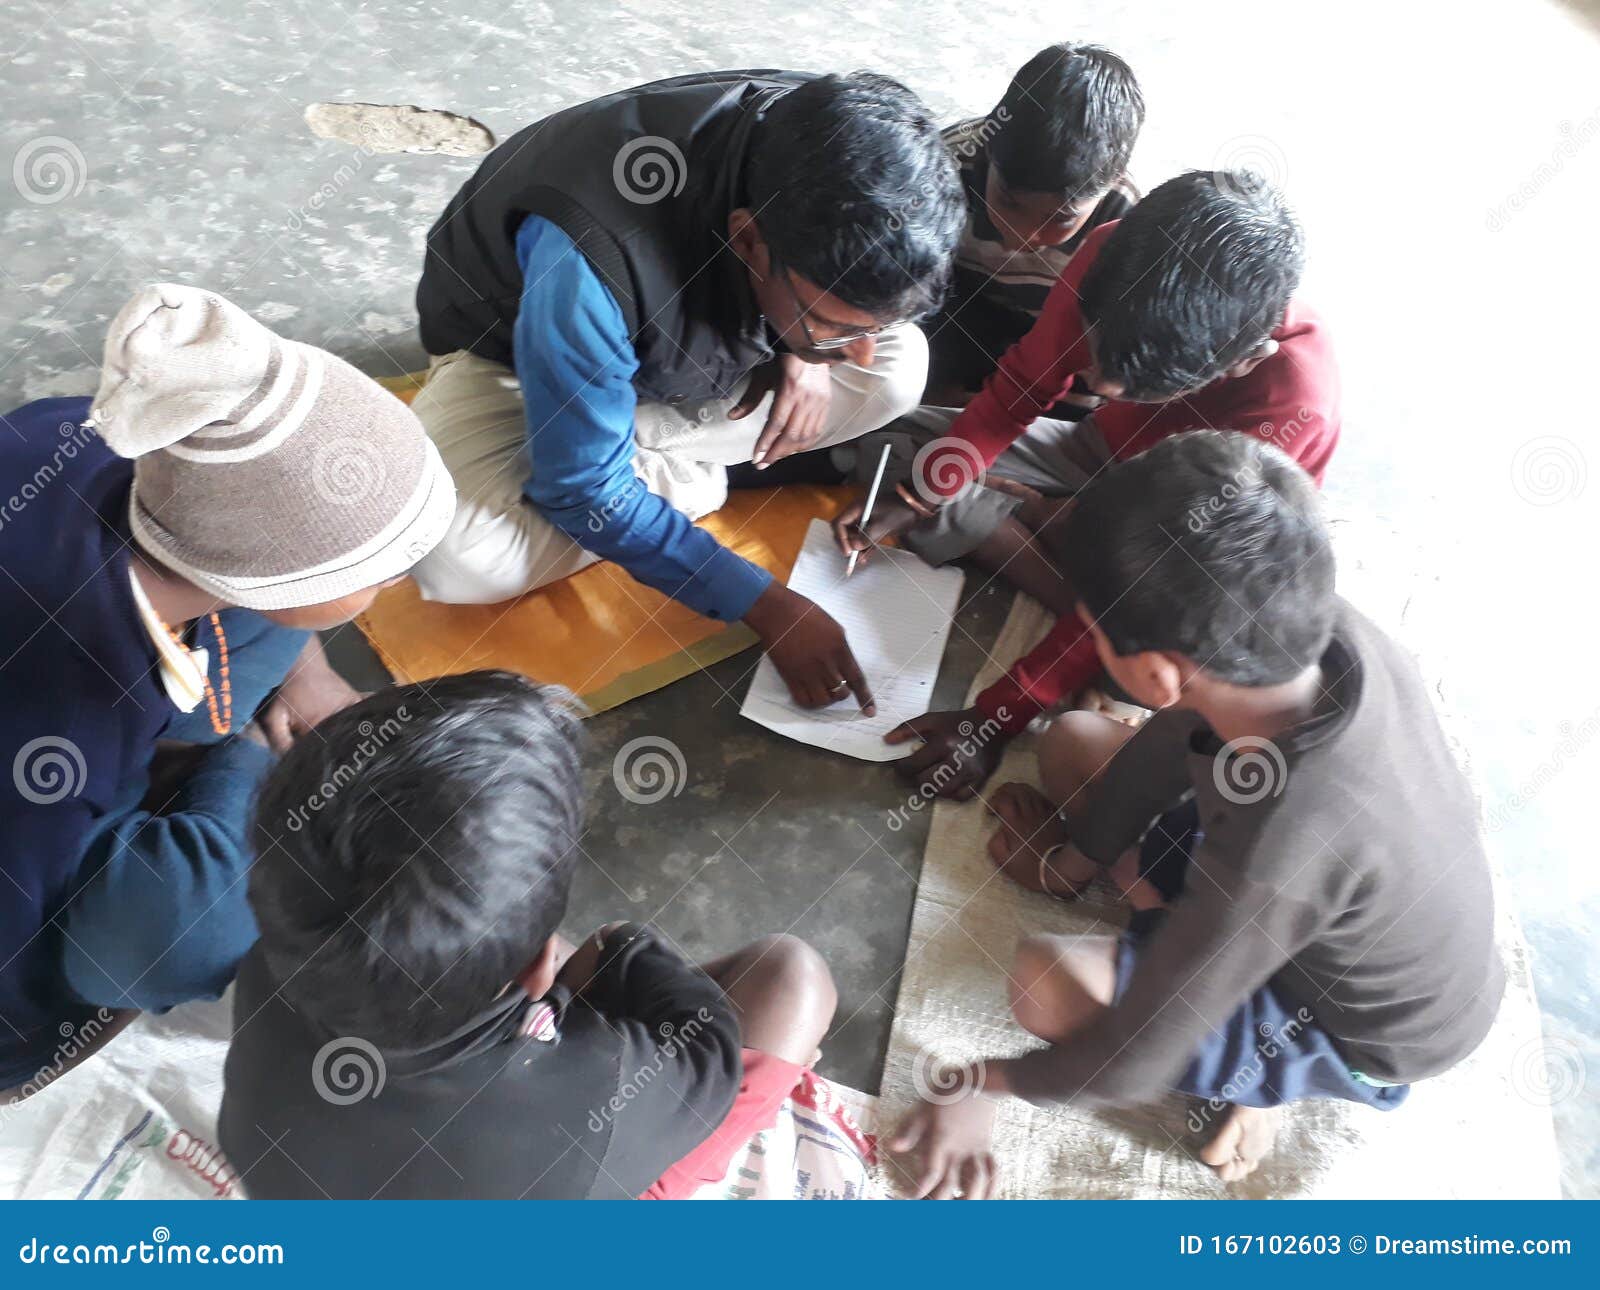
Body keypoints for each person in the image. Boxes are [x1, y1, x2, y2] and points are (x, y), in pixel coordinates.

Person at [888, 433, 1503, 1196]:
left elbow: (1137, 1053)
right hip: (1301, 889)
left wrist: (982, 1084)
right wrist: (1078, 859)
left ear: (1152, 672)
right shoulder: (1313, 631)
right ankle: (1161, 920)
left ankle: (1251, 1080)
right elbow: (1178, 728)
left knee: (1043, 981)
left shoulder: (1294, 833)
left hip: (1342, 1025)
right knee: (1074, 742)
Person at [0, 284, 455, 1093]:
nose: (395, 582)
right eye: (377, 575)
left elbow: (263, 573)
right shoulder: (61, 731)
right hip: (45, 779)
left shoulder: (108, 437)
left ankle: (246, 731)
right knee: (171, 934)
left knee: (268, 644)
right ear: (272, 585)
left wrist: (304, 664)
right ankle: (248, 754)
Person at [410, 70, 964, 715]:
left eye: (869, 324)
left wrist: (808, 348)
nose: (857, 349)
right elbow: (578, 492)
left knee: (898, 369)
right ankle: (666, 473)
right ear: (750, 240)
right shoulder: (587, 263)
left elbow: (861, 329)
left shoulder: (829, 136)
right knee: (453, 557)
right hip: (511, 358)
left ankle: (622, 454)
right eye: (839, 325)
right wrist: (764, 603)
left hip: (690, 361)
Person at [220, 671, 837, 1199]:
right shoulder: (607, 1088)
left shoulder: (268, 961)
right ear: (538, 970)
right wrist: (624, 946)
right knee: (793, 976)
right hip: (568, 1186)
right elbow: (710, 1051)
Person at [834, 168, 1339, 797]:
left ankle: (1083, 600)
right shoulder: (1115, 261)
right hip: (1098, 454)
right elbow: (1020, 390)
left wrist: (995, 718)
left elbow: (1174, 580)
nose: (1097, 387)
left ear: (1243, 363)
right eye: (1101, 358)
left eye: (1141, 385)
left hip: (1189, 553)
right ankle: (1079, 589)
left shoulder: (1292, 406)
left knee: (1153, 671)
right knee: (895, 442)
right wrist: (921, 496)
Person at [922, 42, 1144, 406]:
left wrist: (1007, 400)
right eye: (1009, 201)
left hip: (1047, 333)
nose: (1020, 238)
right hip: (959, 305)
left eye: (1060, 219)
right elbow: (906, 284)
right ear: (989, 150)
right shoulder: (946, 165)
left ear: (1108, 187)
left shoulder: (1125, 223)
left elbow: (1092, 350)